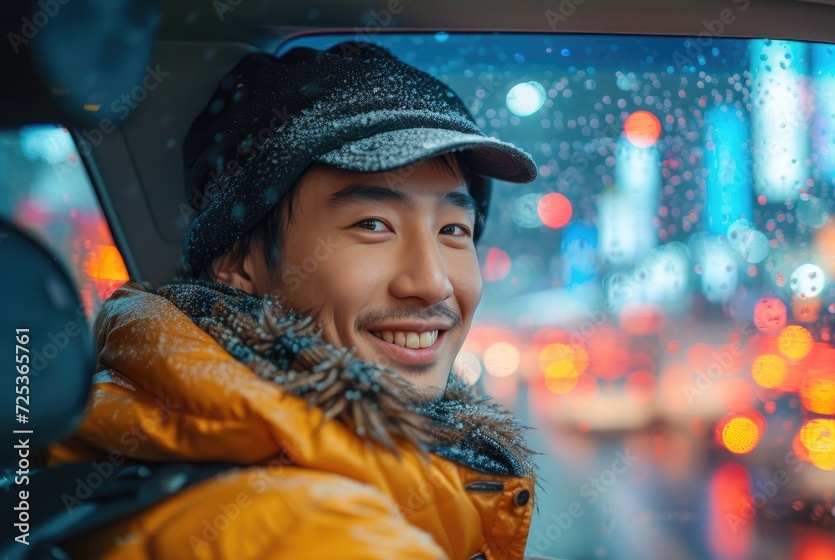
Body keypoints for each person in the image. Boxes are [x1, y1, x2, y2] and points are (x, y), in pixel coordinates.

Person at [45, 41, 540, 559]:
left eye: (454, 229)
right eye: (373, 224)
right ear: (237, 260)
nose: (434, 282)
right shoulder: (312, 533)